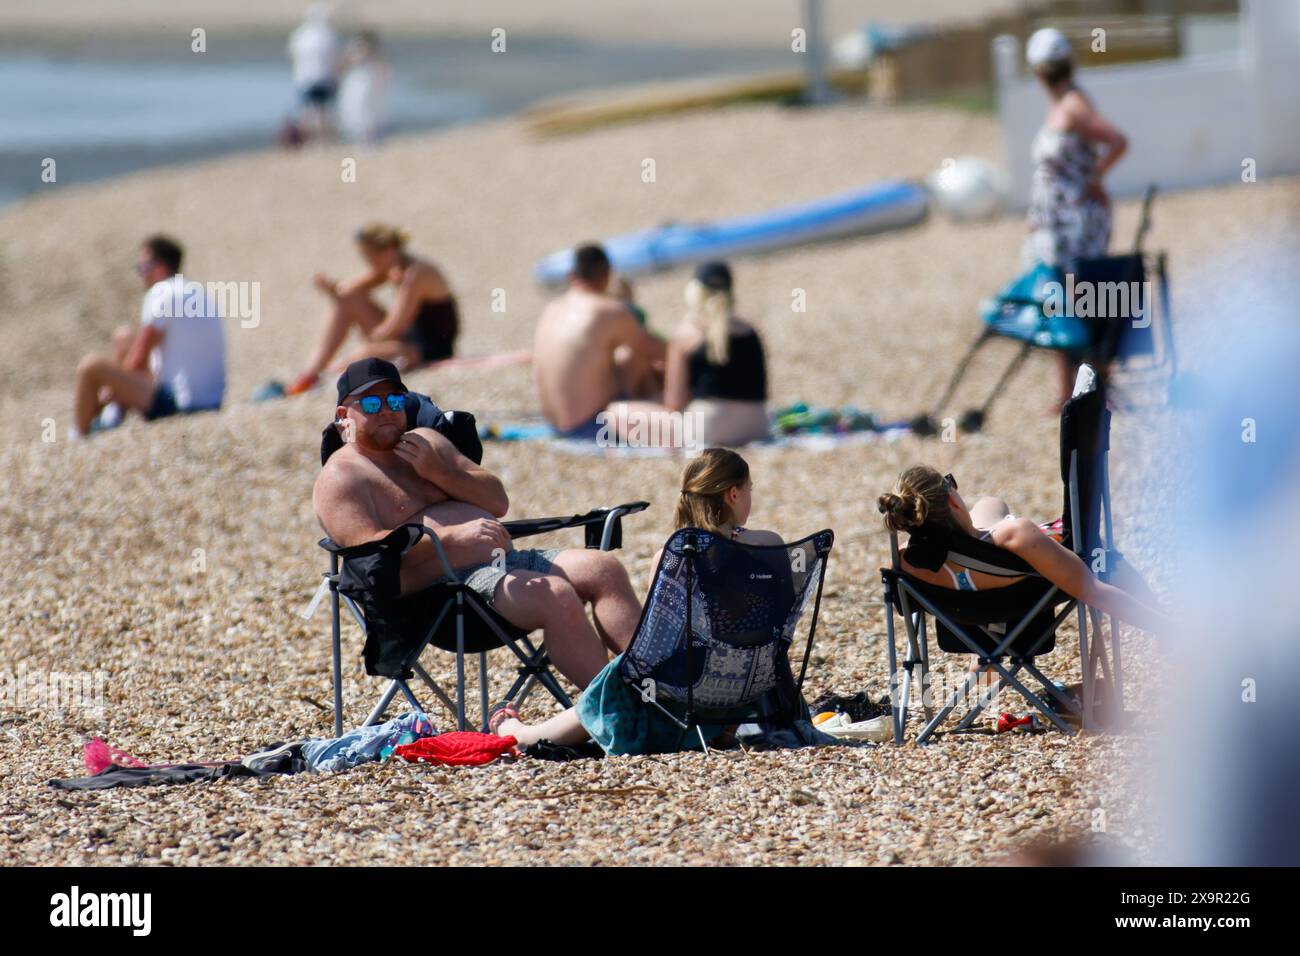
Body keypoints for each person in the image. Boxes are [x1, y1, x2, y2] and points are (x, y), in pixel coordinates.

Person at [312, 358, 642, 689]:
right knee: (554, 594)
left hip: (499, 566)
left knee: (603, 569)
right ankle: (617, 712)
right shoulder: (342, 478)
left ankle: (655, 691)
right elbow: (375, 563)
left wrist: (438, 471)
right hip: (439, 598)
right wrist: (451, 538)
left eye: (394, 401)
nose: (385, 410)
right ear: (344, 417)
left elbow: (496, 500)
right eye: (370, 403)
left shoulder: (426, 441)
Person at [489, 448, 781, 754]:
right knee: (635, 670)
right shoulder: (769, 546)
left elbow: (659, 639)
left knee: (622, 673)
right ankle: (718, 727)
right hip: (754, 683)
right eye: (750, 489)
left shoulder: (674, 556)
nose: (750, 496)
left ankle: (523, 735)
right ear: (733, 494)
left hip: (691, 694)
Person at [877, 465, 1168, 688]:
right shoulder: (1015, 534)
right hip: (1023, 595)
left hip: (969, 608)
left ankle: (982, 660)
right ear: (952, 498)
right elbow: (1092, 590)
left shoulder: (909, 561)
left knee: (991, 504)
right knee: (1105, 553)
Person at [1023, 27, 1129, 408]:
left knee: (1079, 299)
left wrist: (1096, 177)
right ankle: (1068, 389)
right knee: (1063, 299)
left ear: (1038, 71)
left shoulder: (1072, 105)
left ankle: (1092, 386)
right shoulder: (1066, 103)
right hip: (1060, 224)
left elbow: (1117, 139)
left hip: (1076, 226)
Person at [72, 235, 226, 438]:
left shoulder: (161, 292)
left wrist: (110, 393)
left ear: (159, 268)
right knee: (124, 336)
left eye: (142, 268)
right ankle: (113, 416)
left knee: (90, 367)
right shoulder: (197, 291)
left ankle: (79, 435)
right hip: (213, 401)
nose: (140, 275)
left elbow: (138, 359)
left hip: (179, 406)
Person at [606, 261, 769, 449]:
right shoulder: (750, 331)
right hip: (757, 426)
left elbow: (674, 403)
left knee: (614, 412)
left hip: (708, 428)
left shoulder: (687, 333)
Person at [287, 224, 459, 395]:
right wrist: (332, 288)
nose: (370, 264)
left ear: (389, 251)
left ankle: (320, 377)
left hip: (428, 348)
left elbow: (393, 328)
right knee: (346, 301)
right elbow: (348, 292)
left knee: (365, 354)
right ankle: (311, 371)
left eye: (371, 258)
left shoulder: (416, 274)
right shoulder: (395, 265)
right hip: (407, 338)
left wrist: (371, 343)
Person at [533, 243, 666, 439]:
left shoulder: (551, 308)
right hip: (590, 425)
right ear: (607, 275)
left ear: (571, 276)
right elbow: (658, 350)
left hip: (554, 425)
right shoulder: (609, 310)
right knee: (633, 356)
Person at [287, 3, 342, 140]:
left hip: (304, 78)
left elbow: (292, 55)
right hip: (324, 78)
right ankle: (319, 140)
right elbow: (336, 58)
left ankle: (306, 140)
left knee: (306, 111)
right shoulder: (329, 35)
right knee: (321, 111)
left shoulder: (300, 35)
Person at [337, 30, 391, 146]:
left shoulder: (373, 55)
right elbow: (343, 66)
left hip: (367, 83)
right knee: (355, 110)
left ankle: (369, 139)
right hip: (357, 83)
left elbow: (384, 70)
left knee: (367, 111)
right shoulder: (356, 53)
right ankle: (360, 139)